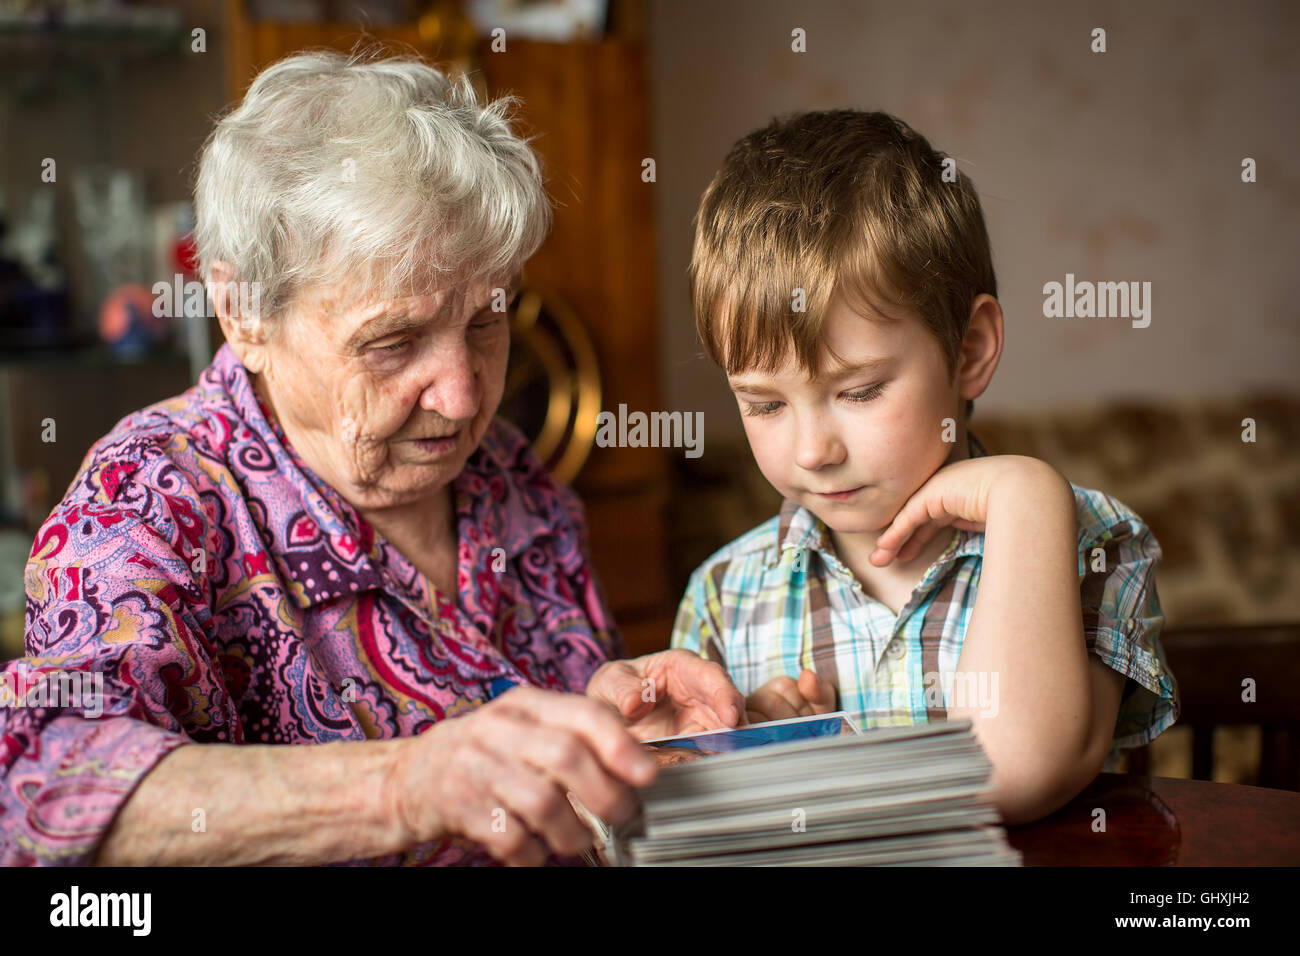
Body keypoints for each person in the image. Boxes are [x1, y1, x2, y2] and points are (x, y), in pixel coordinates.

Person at [0, 49, 744, 867]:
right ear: (242, 310)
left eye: (488, 321)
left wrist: (615, 735)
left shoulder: (504, 475)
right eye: (394, 342)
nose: (463, 397)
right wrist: (403, 786)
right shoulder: (147, 499)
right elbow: (41, 790)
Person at [670, 109, 1180, 825]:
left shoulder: (1089, 547)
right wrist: (746, 762)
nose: (813, 450)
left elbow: (1013, 766)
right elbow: (680, 826)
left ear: (969, 350)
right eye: (763, 404)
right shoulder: (722, 597)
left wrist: (1025, 493)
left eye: (859, 390)